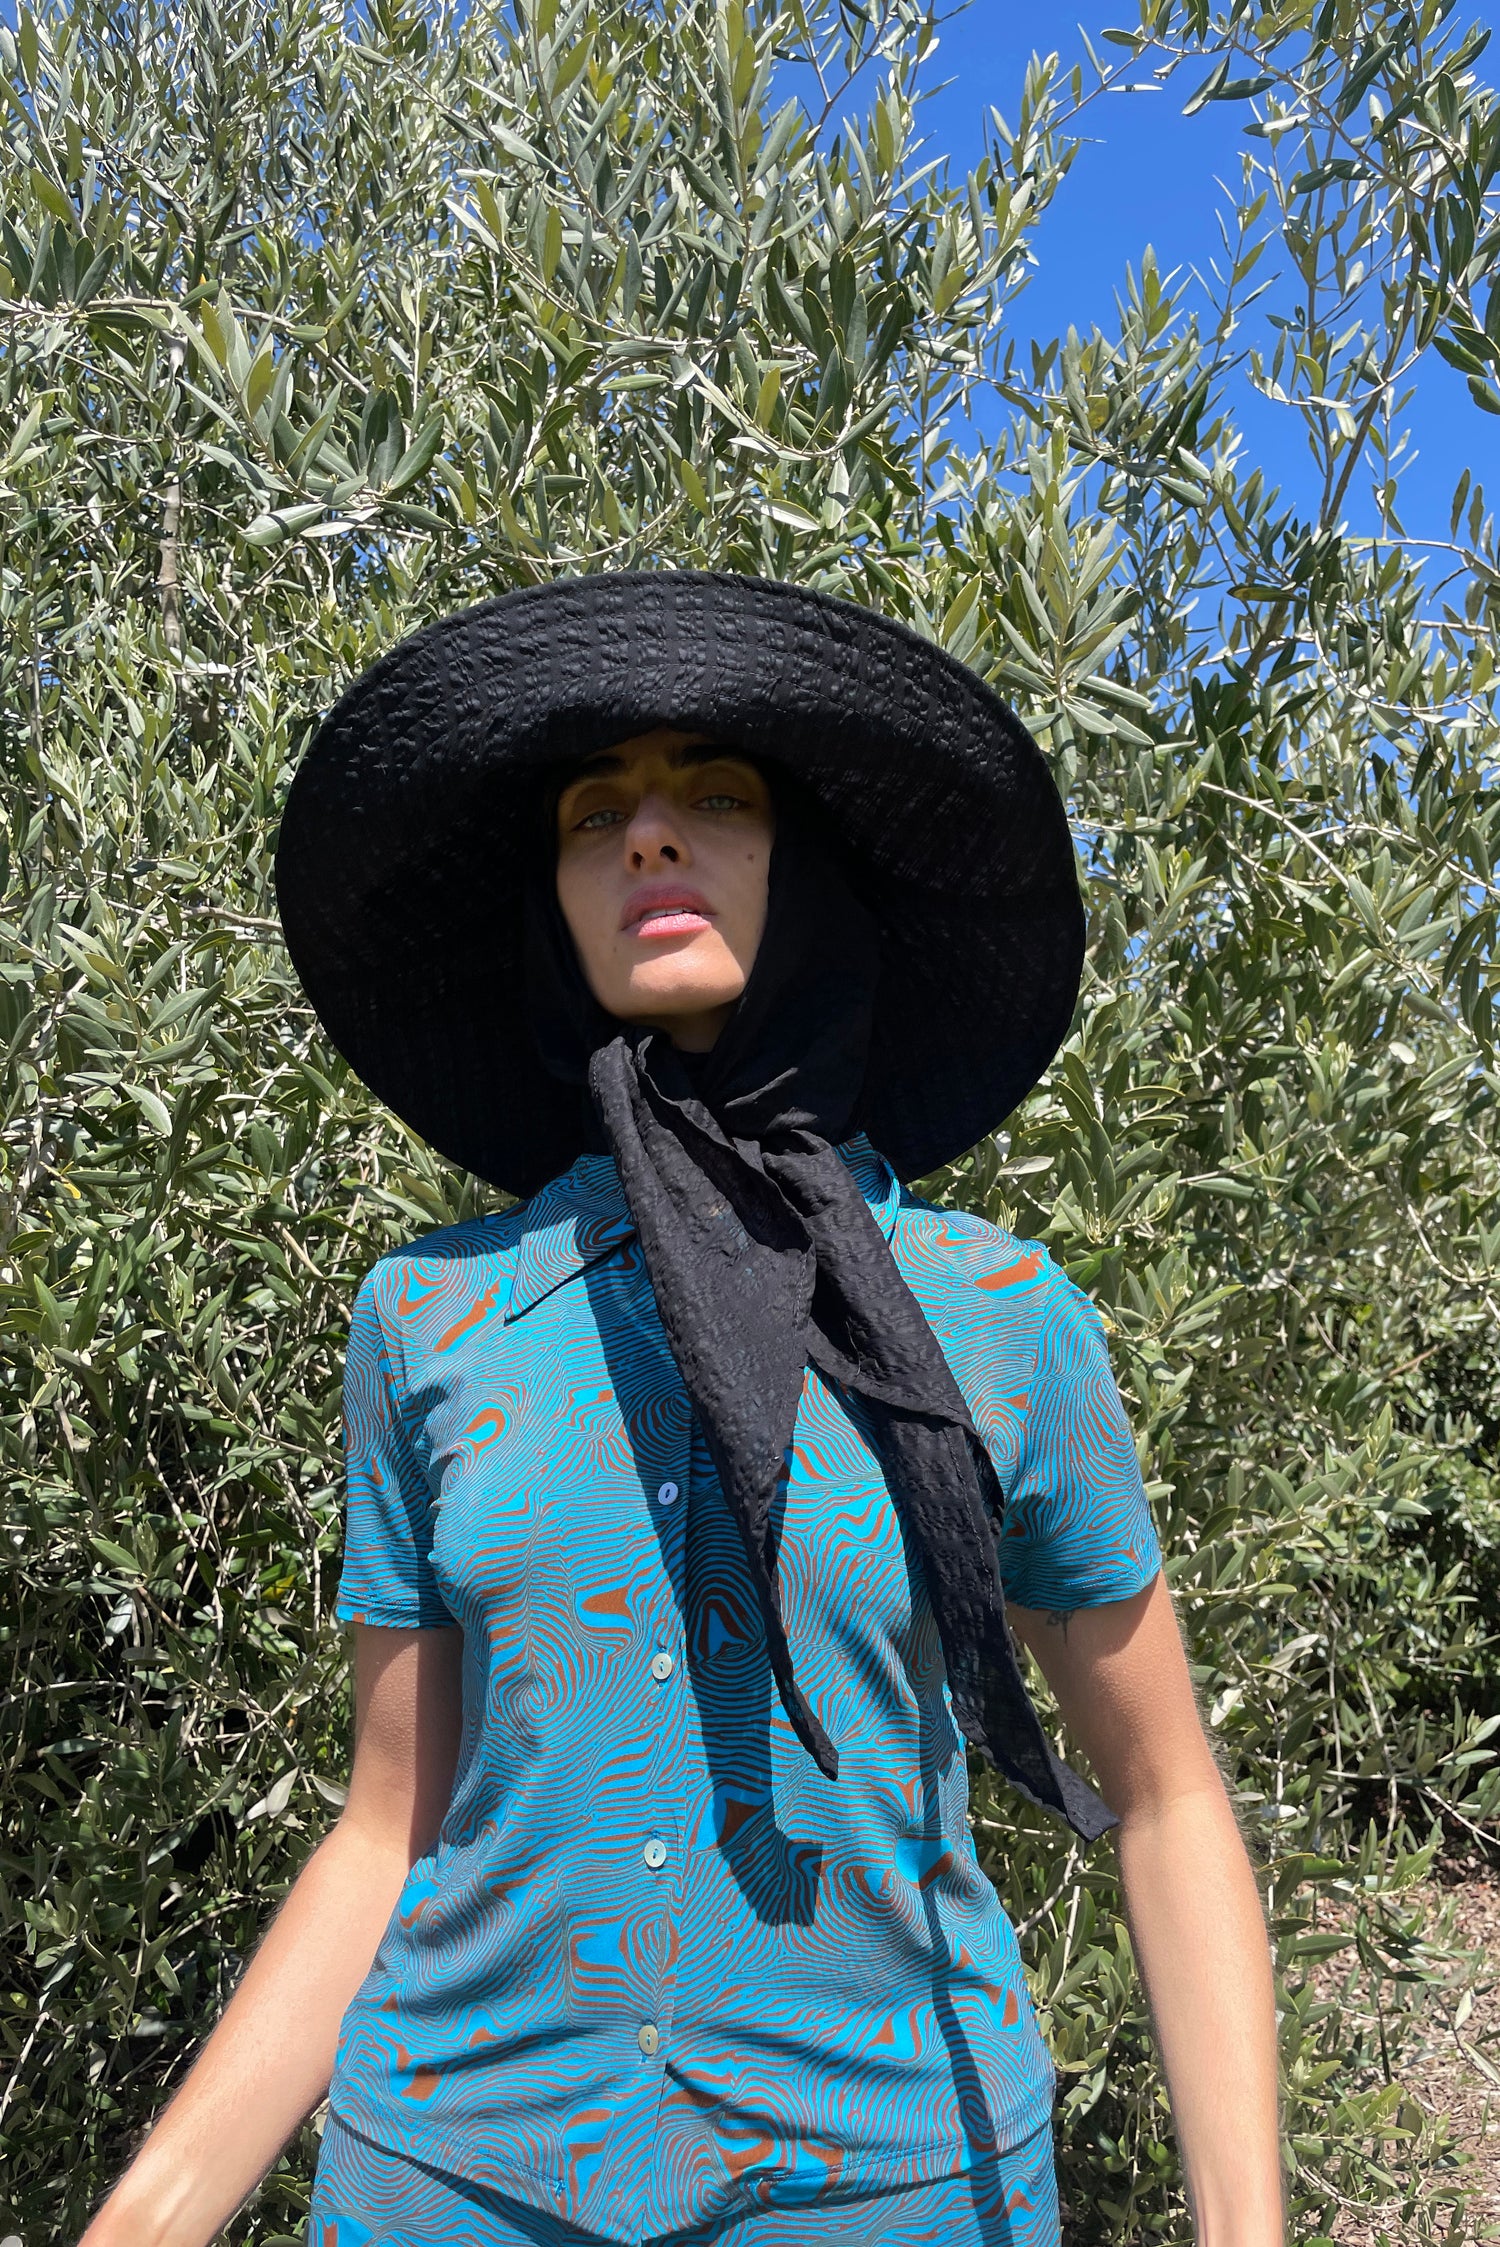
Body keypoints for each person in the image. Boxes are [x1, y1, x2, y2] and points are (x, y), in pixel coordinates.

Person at [80, 572, 1282, 2247]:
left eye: (716, 797)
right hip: (452, 2181)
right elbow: (384, 1826)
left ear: (810, 874)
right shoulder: (431, 1320)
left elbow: (1166, 1797)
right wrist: (150, 2215)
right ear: (556, 906)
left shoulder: (999, 1320)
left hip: (898, 2185)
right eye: (596, 816)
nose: (649, 835)